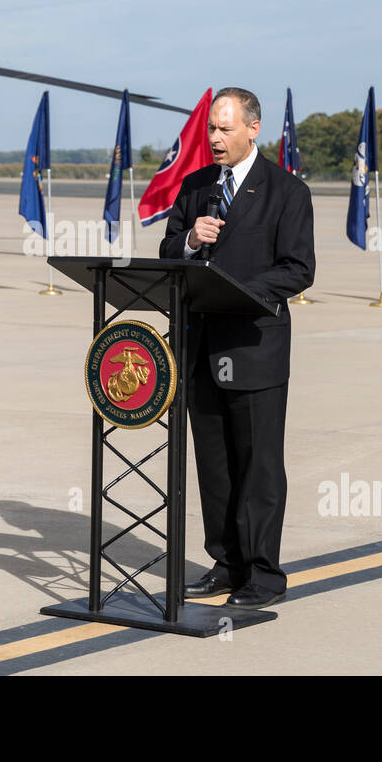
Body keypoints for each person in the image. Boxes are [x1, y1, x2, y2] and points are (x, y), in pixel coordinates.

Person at [158, 87, 315, 609]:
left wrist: (245, 293)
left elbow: (298, 269)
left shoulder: (287, 192)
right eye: (211, 129)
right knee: (216, 464)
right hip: (200, 345)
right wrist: (189, 241)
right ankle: (225, 563)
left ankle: (263, 574)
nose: (216, 139)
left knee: (259, 465)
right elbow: (167, 249)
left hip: (253, 346)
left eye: (226, 129)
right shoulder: (197, 185)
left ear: (254, 129)